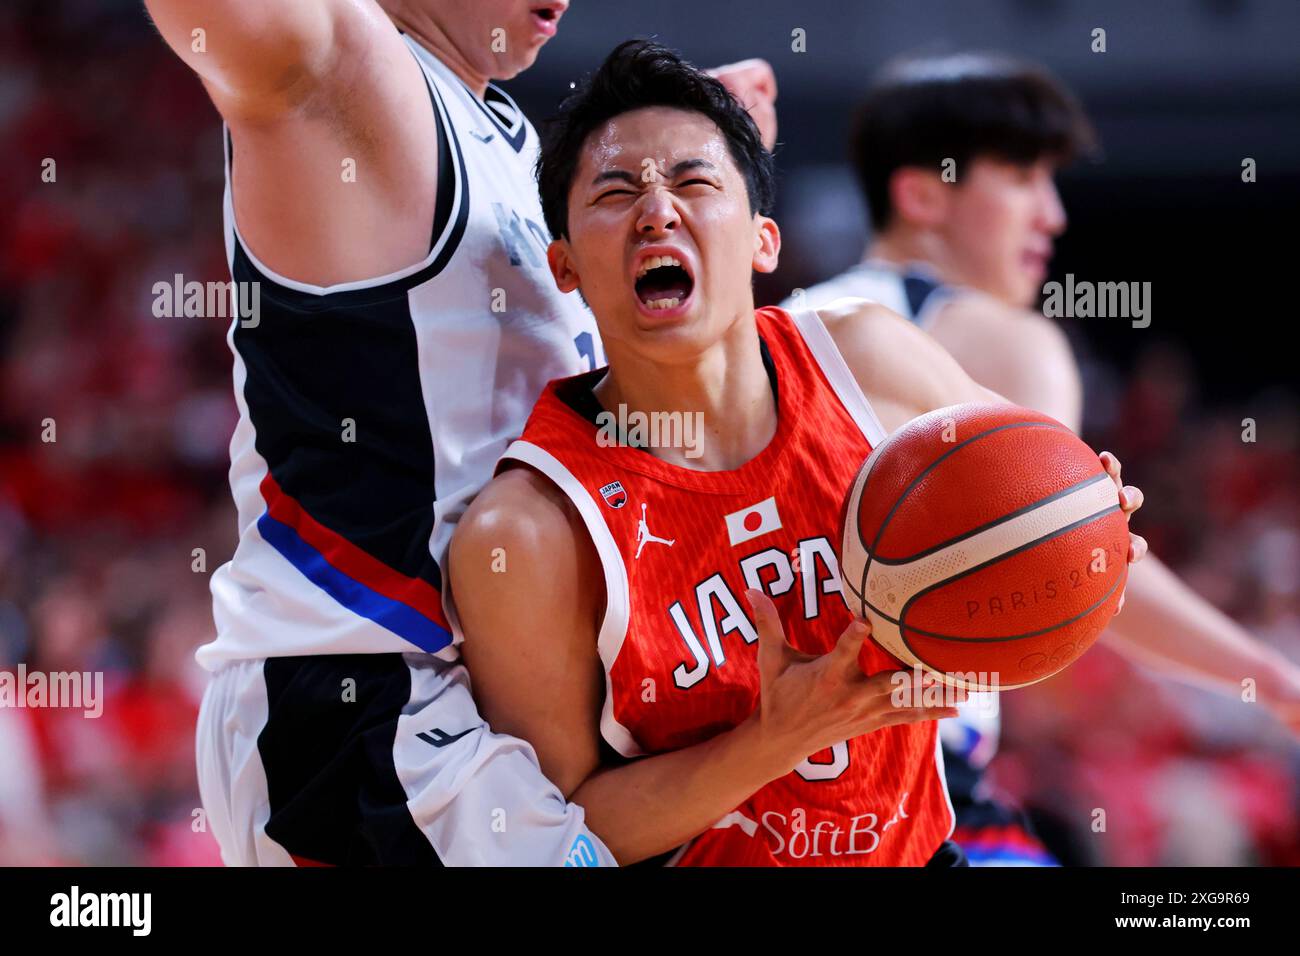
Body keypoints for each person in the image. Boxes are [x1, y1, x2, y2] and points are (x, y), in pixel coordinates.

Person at [449, 40, 1146, 866]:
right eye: (615, 189)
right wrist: (778, 738)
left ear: (763, 241)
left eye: (694, 180)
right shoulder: (527, 532)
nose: (657, 210)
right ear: (564, 265)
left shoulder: (872, 361)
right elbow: (562, 838)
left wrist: (1080, 539)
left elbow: (1035, 525)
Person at [143, 0, 775, 865]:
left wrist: (693, 157)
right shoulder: (354, 74)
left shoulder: (520, 149)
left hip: (514, 702)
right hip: (377, 704)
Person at [786, 51, 1300, 864]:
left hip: (766, 781)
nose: (1052, 214)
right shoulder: (999, 333)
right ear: (921, 194)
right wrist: (1267, 678)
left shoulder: (780, 324)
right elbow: (1064, 553)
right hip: (906, 778)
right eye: (1023, 178)